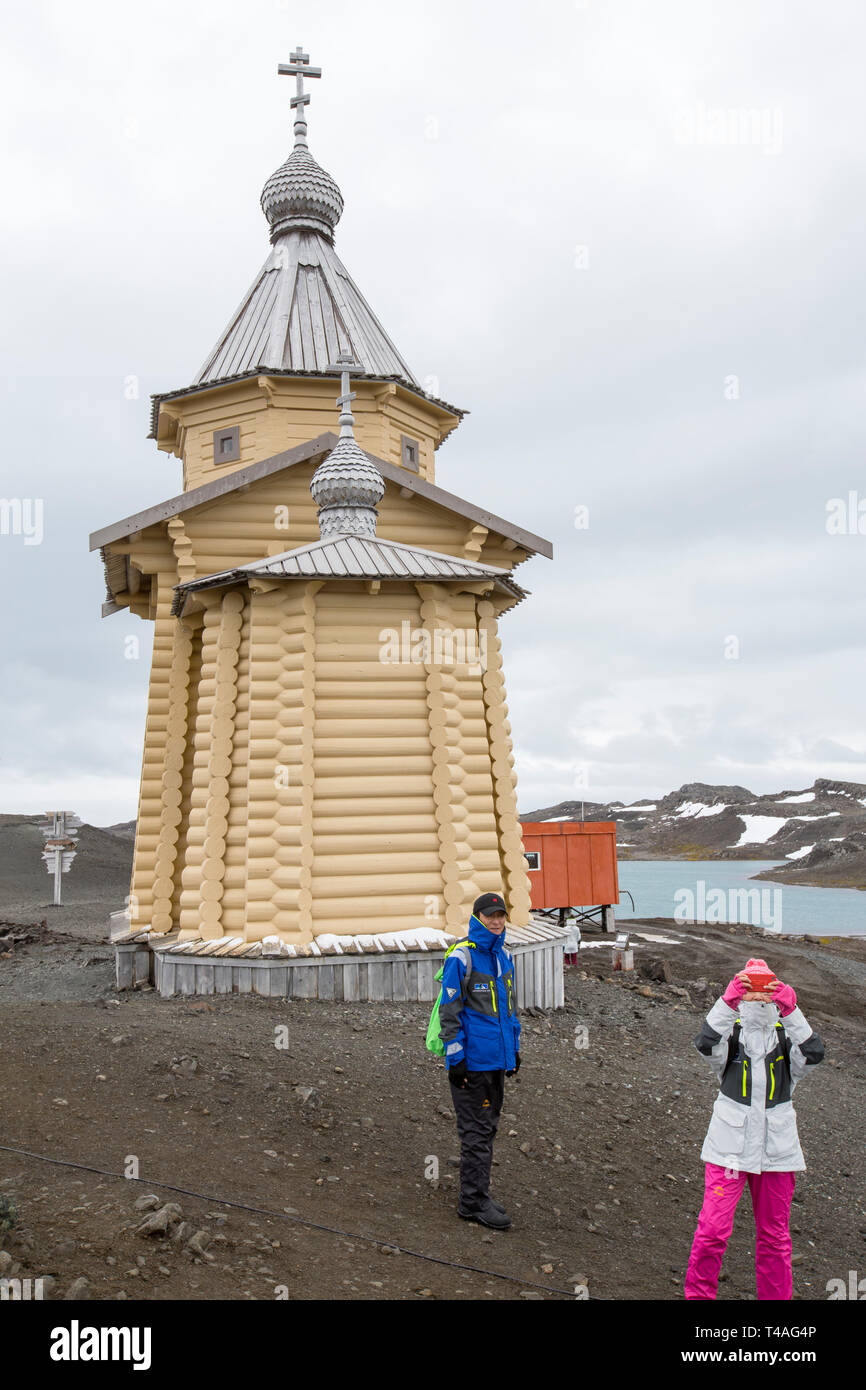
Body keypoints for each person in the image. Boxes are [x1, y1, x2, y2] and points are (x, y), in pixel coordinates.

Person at [685, 957, 825, 1300]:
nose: (759, 999)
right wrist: (726, 1001)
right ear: (740, 997)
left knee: (775, 1237)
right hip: (728, 1151)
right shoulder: (728, 1040)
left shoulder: (787, 1043)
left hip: (777, 1154)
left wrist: (792, 1011)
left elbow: (815, 1052)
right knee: (712, 1231)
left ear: (777, 997)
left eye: (766, 991)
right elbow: (704, 1042)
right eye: (751, 991)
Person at [438, 892, 521, 1230]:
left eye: (501, 915)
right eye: (490, 916)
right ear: (477, 918)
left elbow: (509, 1011)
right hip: (472, 1064)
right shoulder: (462, 957)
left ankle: (478, 1194)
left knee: (488, 1129)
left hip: (495, 1061)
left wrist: (512, 1051)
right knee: (475, 1131)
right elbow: (449, 1010)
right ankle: (471, 1202)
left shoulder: (503, 957)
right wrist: (455, 1058)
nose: (497, 921)